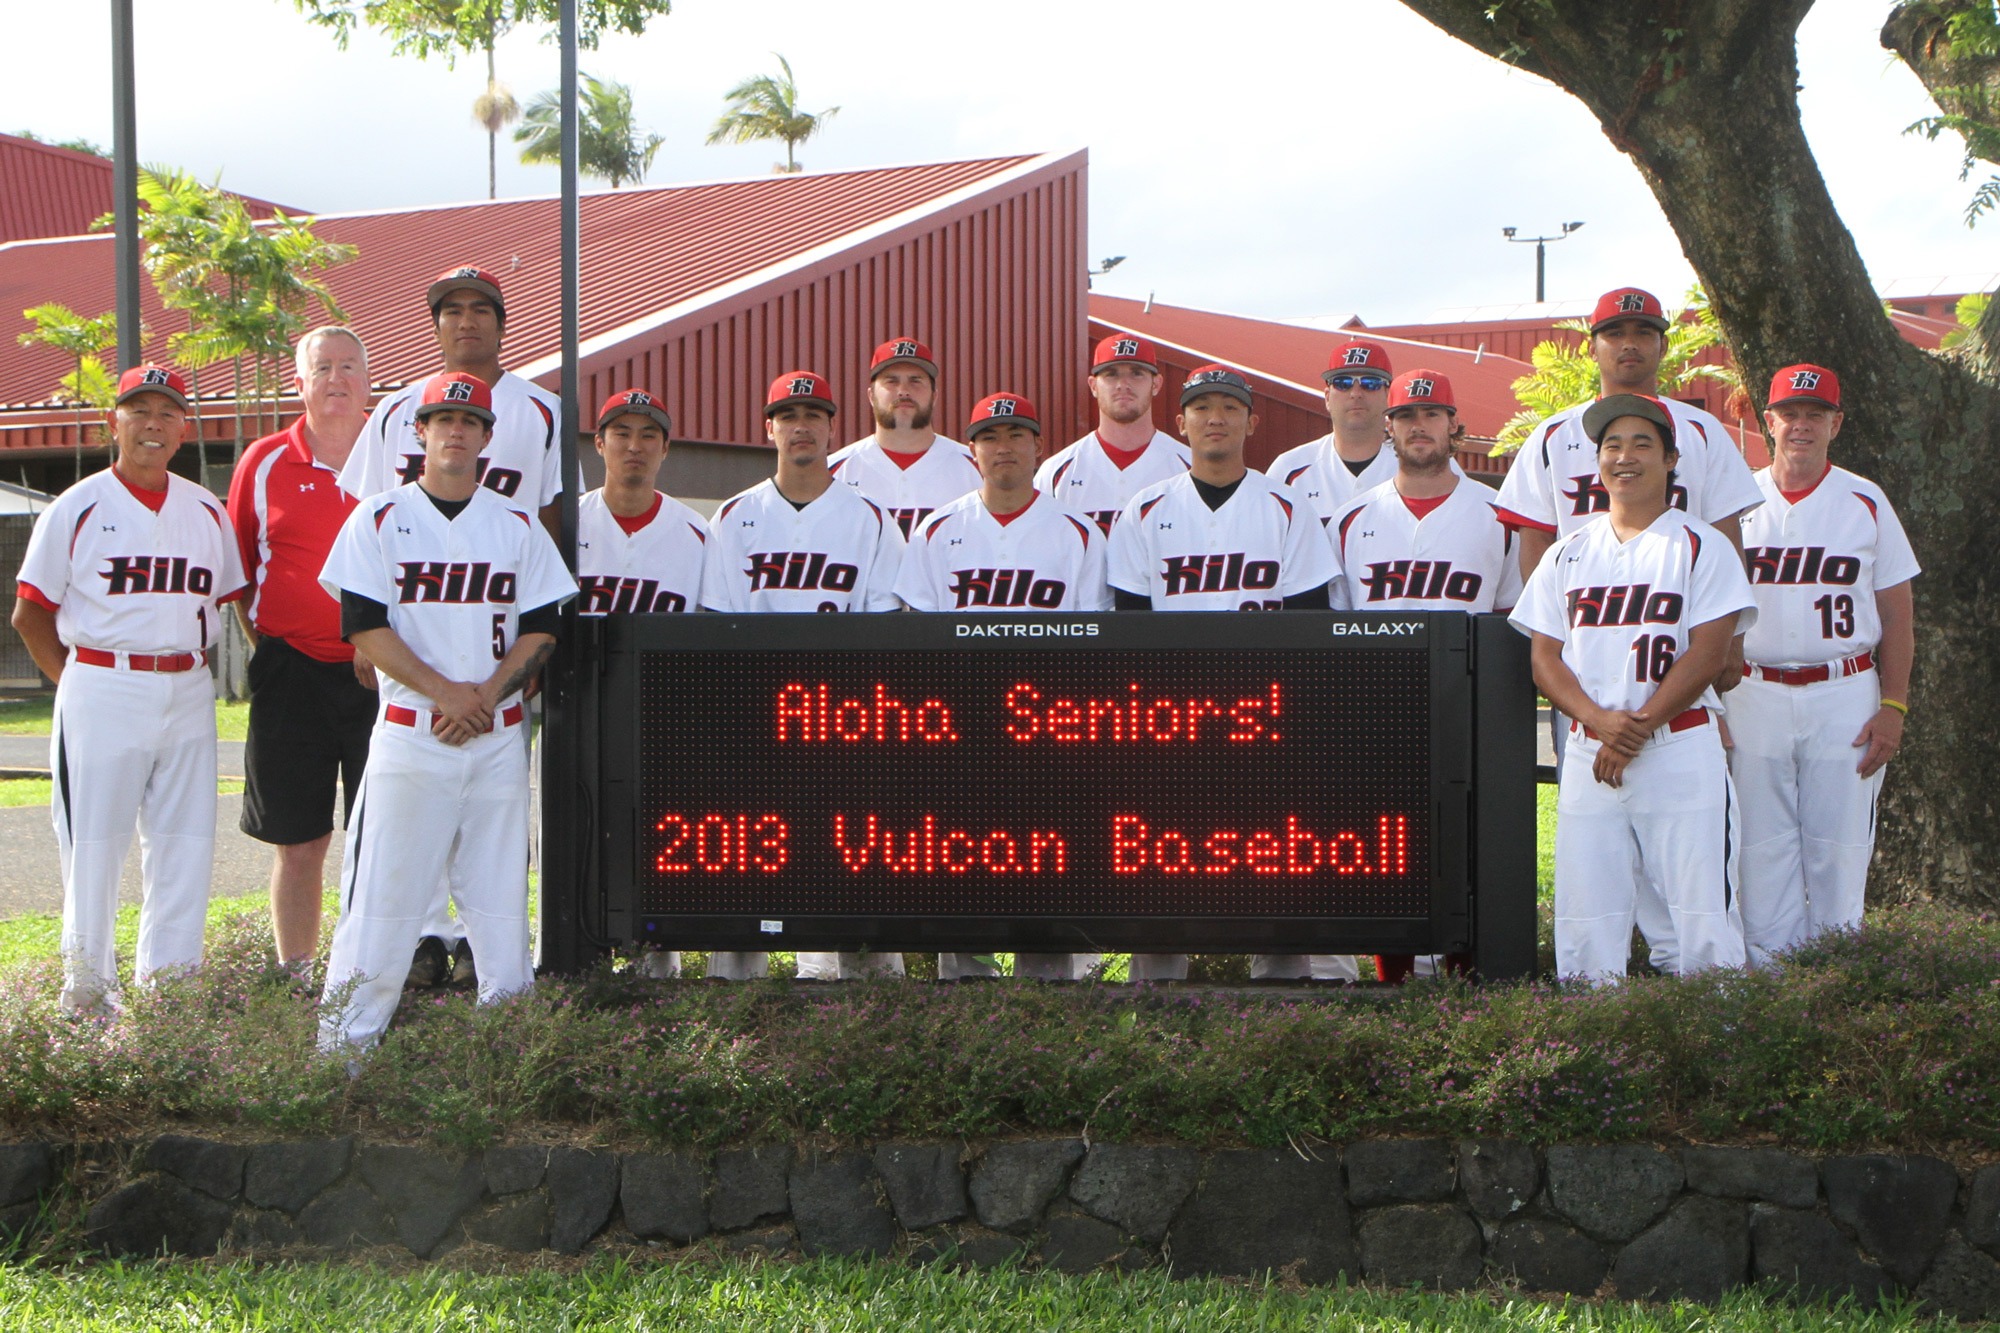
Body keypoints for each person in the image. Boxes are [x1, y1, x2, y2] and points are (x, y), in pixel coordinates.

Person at [1494, 285, 1763, 975]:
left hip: (1676, 742)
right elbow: (1546, 656)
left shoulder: (1699, 544)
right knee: (1588, 913)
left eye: (1643, 444)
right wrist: (1598, 722)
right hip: (1590, 743)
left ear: (1671, 462)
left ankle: (1718, 1045)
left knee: (1701, 908)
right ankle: (1593, 1050)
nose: (1625, 456)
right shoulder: (1568, 550)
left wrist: (1636, 725)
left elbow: (1707, 649)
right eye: (1613, 445)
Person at [315, 371, 576, 1054]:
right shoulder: (376, 517)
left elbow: (544, 627)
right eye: (442, 418)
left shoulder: (516, 523)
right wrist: (446, 692)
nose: (455, 429)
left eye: (469, 421)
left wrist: (483, 695)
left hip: (495, 736)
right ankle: (341, 1057)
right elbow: (365, 628)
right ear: (420, 430)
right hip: (411, 736)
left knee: (498, 912)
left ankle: (511, 1063)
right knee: (381, 902)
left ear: (488, 437)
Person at [338, 264, 564, 989]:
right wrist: (377, 651)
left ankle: (485, 979)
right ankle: (414, 952)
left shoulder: (541, 413)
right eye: (451, 310)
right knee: (394, 855)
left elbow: (552, 530)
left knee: (497, 863)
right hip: (414, 667)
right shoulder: (394, 417)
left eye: (481, 309)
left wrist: (508, 677)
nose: (466, 321)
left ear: (503, 322)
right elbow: (362, 538)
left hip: (495, 657)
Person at [11, 365, 249, 1015]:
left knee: (185, 845)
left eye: (166, 412)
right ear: (112, 421)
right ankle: (86, 996)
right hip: (101, 679)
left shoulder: (205, 509)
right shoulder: (77, 505)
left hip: (189, 686)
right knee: (93, 847)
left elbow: (237, 602)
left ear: (183, 429)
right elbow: (30, 614)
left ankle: (170, 998)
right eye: (138, 409)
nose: (152, 423)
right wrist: (81, 685)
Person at [1108, 364, 1335, 982]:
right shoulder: (1145, 509)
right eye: (1202, 407)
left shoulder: (1287, 508)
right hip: (1167, 720)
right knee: (1158, 872)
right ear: (1178, 423)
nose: (1215, 418)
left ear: (1250, 422)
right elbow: (1130, 625)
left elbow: (1310, 623)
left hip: (1266, 713)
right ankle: (1155, 1003)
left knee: (1278, 867)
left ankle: (1285, 996)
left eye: (1229, 408)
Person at [897, 391, 1112, 983]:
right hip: (958, 724)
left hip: (1051, 723)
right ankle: (964, 994)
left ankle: (1046, 1003)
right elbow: (917, 639)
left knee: (1046, 876)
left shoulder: (1079, 531)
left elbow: (1093, 639)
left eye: (1017, 435)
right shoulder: (937, 530)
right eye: (991, 437)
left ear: (1039, 448)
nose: (1004, 447)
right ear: (971, 451)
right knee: (959, 875)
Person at [701, 371, 906, 981]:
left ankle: (871, 1005)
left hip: (846, 722)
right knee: (747, 875)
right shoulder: (735, 517)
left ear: (831, 428)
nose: (801, 426)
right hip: (758, 720)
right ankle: (734, 1007)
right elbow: (719, 629)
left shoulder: (869, 518)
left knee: (854, 874)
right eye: (789, 416)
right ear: (770, 428)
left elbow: (883, 634)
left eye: (814, 415)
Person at [1328, 370, 1522, 985]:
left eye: (1432, 415)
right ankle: (1393, 985)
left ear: (1453, 425)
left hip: (1466, 708)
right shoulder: (1348, 518)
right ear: (1389, 426)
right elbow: (1334, 628)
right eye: (1408, 416)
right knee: (1387, 859)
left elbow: (1509, 619)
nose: (1419, 426)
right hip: (1376, 711)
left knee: (1466, 854)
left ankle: (1465, 990)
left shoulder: (1499, 516)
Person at [1731, 365, 1918, 966]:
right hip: (1753, 688)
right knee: (1759, 849)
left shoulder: (1865, 500)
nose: (1801, 425)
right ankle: (1772, 987)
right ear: (1770, 421)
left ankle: (1835, 985)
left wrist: (1893, 706)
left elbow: (1898, 616)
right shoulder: (1737, 503)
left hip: (1844, 691)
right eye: (1790, 413)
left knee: (1838, 849)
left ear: (1835, 424)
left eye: (1815, 414)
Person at [226, 327, 377, 973]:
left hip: (385, 675)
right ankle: (298, 972)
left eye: (349, 366)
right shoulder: (262, 461)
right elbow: (240, 574)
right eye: (323, 368)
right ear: (300, 382)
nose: (336, 379)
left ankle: (372, 971)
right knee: (299, 840)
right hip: (293, 677)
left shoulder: (399, 452)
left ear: (370, 380)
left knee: (384, 838)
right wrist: (279, 646)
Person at [576, 387, 708, 979]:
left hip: (668, 708)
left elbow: (711, 628)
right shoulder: (563, 525)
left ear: (665, 449)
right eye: (622, 434)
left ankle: (661, 962)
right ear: (599, 443)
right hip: (578, 705)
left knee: (662, 839)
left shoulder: (698, 532)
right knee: (575, 833)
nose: (635, 446)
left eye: (648, 435)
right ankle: (575, 950)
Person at [1034, 335, 1190, 534]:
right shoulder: (1056, 472)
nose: (1123, 384)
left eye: (1136, 373)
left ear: (1156, 384)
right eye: (1111, 374)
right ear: (1093, 385)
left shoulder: (1188, 467)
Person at [828, 337, 980, 539]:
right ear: (871, 395)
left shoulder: (977, 470)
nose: (904, 391)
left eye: (915, 380)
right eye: (891, 381)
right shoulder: (831, 473)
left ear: (934, 395)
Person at [1270, 338, 1404, 523]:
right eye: (1343, 383)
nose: (1356, 392)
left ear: (1389, 396)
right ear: (1327, 398)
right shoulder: (1288, 470)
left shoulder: (1423, 465)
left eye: (1370, 382)